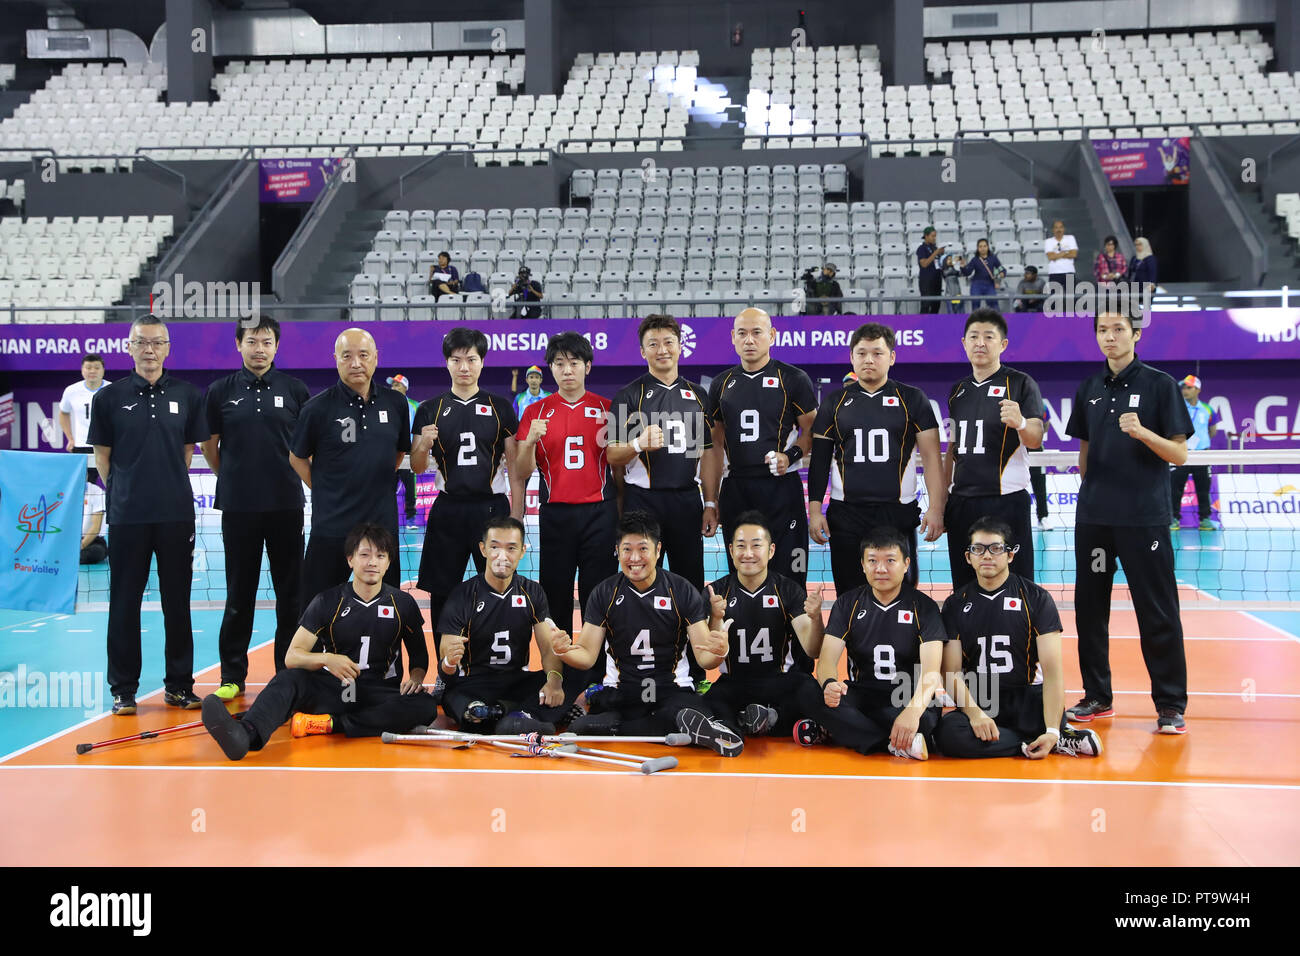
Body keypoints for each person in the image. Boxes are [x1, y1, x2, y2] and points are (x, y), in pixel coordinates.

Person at [200, 523, 440, 761]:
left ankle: (330, 724)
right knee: (288, 679)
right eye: (364, 555)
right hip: (337, 689)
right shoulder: (327, 601)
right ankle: (246, 735)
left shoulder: (402, 604)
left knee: (425, 706)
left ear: (388, 563)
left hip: (382, 692)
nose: (372, 562)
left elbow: (419, 656)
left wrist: (416, 679)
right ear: (350, 560)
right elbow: (292, 656)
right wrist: (326, 659)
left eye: (380, 556)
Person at [1065, 310, 1193, 735]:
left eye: (1118, 329)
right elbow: (1085, 453)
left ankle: (1170, 705)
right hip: (1096, 523)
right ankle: (1097, 697)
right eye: (1102, 330)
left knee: (1156, 611)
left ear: (1136, 334)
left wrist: (1143, 434)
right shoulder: (1089, 388)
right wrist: (1094, 496)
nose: (1110, 337)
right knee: (1090, 610)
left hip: (1144, 522)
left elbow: (1178, 455)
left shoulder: (1160, 385)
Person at [88, 315, 209, 716]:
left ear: (168, 348)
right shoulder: (108, 399)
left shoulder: (189, 395)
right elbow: (102, 459)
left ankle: (179, 686)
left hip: (175, 515)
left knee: (179, 603)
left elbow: (188, 453)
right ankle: (123, 690)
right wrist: (125, 493)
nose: (150, 350)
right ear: (129, 347)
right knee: (124, 603)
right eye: (141, 343)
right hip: (127, 518)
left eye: (157, 343)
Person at [549, 511, 743, 756]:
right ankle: (678, 730)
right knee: (584, 726)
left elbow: (705, 658)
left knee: (682, 710)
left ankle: (668, 725)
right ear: (617, 551)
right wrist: (563, 651)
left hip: (670, 689)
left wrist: (720, 650)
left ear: (658, 549)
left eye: (643, 549)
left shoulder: (681, 590)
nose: (635, 558)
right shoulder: (604, 592)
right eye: (627, 550)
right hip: (623, 692)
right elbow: (586, 655)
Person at [200, 317, 311, 699]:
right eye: (252, 341)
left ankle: (287, 674)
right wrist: (233, 476)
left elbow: (305, 447)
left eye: (266, 341)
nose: (259, 348)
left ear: (276, 346)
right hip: (239, 507)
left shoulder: (295, 390)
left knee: (291, 596)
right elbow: (209, 446)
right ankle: (233, 676)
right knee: (238, 595)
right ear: (239, 344)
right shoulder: (219, 391)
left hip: (286, 506)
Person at [936, 518, 1101, 758]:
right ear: (968, 557)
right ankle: (1039, 741)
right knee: (948, 735)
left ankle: (1050, 734)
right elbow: (950, 672)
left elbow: (1053, 672)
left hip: (1028, 698)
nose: (987, 555)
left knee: (1045, 716)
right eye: (978, 549)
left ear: (1010, 555)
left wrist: (1052, 728)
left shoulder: (1036, 598)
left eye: (996, 548)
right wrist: (975, 714)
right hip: (983, 697)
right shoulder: (955, 604)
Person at [808, 322, 946, 593]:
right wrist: (814, 511)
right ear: (851, 357)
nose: (868, 359)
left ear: (892, 357)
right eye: (861, 353)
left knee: (902, 592)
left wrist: (936, 508)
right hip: (846, 515)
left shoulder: (912, 399)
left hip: (897, 512)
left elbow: (931, 458)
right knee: (849, 593)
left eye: (877, 353)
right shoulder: (834, 402)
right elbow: (820, 461)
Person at [514, 332, 615, 699]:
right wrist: (529, 441)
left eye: (574, 363)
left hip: (599, 514)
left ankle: (596, 675)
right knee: (554, 596)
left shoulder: (607, 408)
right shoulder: (535, 412)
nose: (567, 370)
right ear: (551, 368)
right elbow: (523, 470)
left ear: (587, 366)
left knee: (597, 596)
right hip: (555, 514)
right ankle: (554, 675)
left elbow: (617, 468)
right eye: (559, 363)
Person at [411, 327, 520, 654]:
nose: (464, 367)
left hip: (492, 510)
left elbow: (514, 464)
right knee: (442, 593)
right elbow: (417, 467)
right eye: (456, 360)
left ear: (482, 363)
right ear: (447, 363)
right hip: (448, 509)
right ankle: (447, 670)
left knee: (502, 586)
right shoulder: (429, 409)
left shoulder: (500, 406)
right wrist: (423, 446)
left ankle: (501, 663)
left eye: (471, 359)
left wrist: (516, 515)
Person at [793, 527, 945, 760]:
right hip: (863, 693)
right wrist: (831, 684)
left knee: (923, 720)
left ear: (906, 564)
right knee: (807, 690)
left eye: (890, 561)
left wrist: (912, 712)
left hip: (906, 694)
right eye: (872, 561)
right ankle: (895, 743)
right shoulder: (847, 603)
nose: (880, 569)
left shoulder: (924, 607)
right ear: (862, 565)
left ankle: (846, 731)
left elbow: (932, 672)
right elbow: (825, 662)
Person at [290, 328, 411, 606]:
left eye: (363, 355)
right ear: (335, 359)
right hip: (331, 528)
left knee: (387, 613)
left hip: (381, 529)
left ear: (376, 358)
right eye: (347, 356)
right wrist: (325, 488)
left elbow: (400, 451)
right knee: (316, 610)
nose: (356, 363)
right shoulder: (316, 408)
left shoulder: (396, 403)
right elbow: (296, 458)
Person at [706, 308, 816, 599]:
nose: (750, 340)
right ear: (733, 338)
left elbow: (812, 432)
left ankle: (793, 642)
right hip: (737, 487)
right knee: (741, 573)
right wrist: (711, 499)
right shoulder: (720, 384)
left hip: (782, 488)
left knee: (791, 574)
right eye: (742, 333)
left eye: (757, 332)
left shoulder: (793, 378)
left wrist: (789, 456)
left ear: (772, 336)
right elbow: (714, 446)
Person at [608, 314, 719, 596]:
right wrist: (638, 445)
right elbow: (611, 454)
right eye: (653, 344)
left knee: (690, 581)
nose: (662, 350)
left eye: (669, 342)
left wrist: (709, 502)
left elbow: (706, 453)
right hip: (643, 501)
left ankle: (691, 641)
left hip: (686, 500)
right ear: (643, 351)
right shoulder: (628, 395)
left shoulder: (698, 395)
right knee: (639, 579)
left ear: (680, 346)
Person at [436, 517, 570, 734]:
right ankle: (523, 715)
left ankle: (499, 714)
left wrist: (554, 681)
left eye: (511, 548)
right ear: (483, 549)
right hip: (474, 683)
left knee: (572, 669)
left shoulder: (532, 591)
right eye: (495, 547)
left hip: (516, 681)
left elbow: (548, 648)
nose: (502, 556)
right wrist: (450, 661)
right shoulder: (462, 594)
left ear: (523, 551)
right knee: (454, 698)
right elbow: (446, 669)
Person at [942, 308, 1046, 588]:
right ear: (964, 343)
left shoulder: (1021, 383)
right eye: (973, 336)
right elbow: (952, 449)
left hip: (1007, 502)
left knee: (1016, 583)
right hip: (962, 502)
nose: (980, 343)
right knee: (964, 585)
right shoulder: (957, 390)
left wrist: (1021, 422)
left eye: (989, 336)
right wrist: (940, 503)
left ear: (1003, 344)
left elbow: (1035, 439)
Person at [703, 512, 824, 737]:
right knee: (708, 703)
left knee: (809, 688)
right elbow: (709, 663)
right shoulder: (716, 593)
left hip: (778, 681)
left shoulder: (788, 590)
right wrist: (715, 618)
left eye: (756, 546)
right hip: (735, 682)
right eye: (741, 546)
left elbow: (812, 649)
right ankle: (757, 722)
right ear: (730, 550)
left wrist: (816, 619)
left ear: (771, 551)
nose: (748, 554)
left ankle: (754, 721)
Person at [1169, 374, 1219, 531]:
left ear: (1198, 389)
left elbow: (1212, 431)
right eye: (1183, 387)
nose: (1185, 390)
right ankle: (1173, 519)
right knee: (1175, 487)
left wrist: (1201, 444)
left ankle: (1205, 519)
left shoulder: (1207, 409)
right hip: (1181, 454)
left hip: (1202, 455)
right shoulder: (1176, 407)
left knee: (1203, 488)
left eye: (1189, 387)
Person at [58, 352, 109, 483]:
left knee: (111, 483)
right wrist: (70, 438)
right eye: (88, 367)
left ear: (103, 370)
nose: (92, 371)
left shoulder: (112, 389)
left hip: (107, 444)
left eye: (97, 368)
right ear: (82, 370)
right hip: (82, 444)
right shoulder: (72, 390)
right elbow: (63, 413)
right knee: (82, 486)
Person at [386, 374, 421, 526]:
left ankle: (411, 518)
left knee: (410, 488)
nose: (394, 388)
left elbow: (419, 430)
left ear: (405, 388)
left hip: (408, 453)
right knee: (388, 487)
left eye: (397, 385)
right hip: (390, 452)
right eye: (392, 385)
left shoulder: (415, 406)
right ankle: (388, 518)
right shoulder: (385, 404)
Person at [959, 238, 1004, 310]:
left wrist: (1002, 273)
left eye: (984, 246)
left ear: (988, 247)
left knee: (994, 305)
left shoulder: (993, 258)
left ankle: (995, 321)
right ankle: (976, 321)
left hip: (990, 284)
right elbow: (968, 272)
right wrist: (963, 267)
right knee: (975, 305)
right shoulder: (975, 260)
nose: (983, 248)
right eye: (980, 246)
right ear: (977, 248)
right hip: (976, 284)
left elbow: (1001, 268)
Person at [1044, 219, 1078, 294]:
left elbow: (1073, 254)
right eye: (1056, 227)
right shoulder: (1048, 241)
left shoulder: (1070, 238)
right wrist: (1064, 253)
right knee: (1054, 299)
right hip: (1054, 272)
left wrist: (1057, 255)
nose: (1058, 229)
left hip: (1069, 271)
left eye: (1060, 227)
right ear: (1053, 229)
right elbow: (1051, 257)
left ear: (1064, 229)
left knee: (1071, 298)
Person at [915, 227, 945, 314]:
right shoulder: (921, 248)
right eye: (932, 236)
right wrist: (936, 253)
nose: (934, 238)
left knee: (936, 305)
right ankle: (923, 325)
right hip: (926, 281)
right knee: (926, 305)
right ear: (926, 236)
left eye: (935, 236)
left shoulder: (935, 248)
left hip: (937, 279)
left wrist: (942, 255)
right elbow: (924, 264)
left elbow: (939, 264)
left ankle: (933, 326)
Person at [79, 478, 107, 565]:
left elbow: (95, 528)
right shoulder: (65, 491)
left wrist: (81, 546)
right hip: (69, 540)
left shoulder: (97, 492)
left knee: (97, 552)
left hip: (93, 540)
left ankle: (68, 557)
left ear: (86, 475)